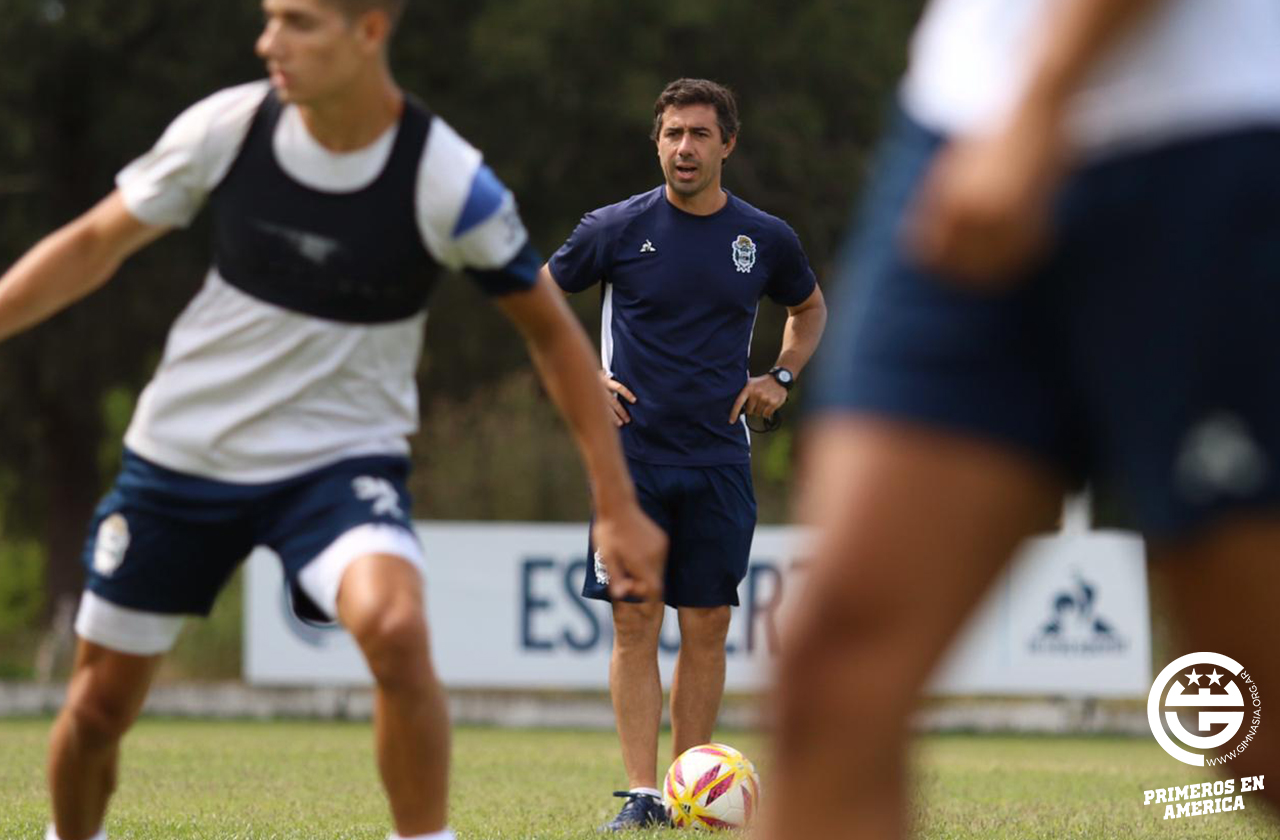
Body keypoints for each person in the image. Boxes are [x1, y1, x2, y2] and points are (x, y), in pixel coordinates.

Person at [0, 2, 666, 840]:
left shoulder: (445, 179)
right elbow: (96, 243)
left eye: (299, 22)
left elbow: (550, 334)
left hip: (337, 465)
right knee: (97, 706)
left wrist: (615, 501)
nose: (269, 41)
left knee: (395, 626)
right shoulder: (229, 128)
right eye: (271, 17)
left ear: (370, 31)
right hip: (185, 455)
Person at [761, 0, 1280, 838]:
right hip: (961, 119)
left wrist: (1043, 104)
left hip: (1209, 130)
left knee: (1262, 734)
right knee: (835, 664)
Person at [542, 78, 827, 831]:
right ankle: (641, 793)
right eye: (672, 134)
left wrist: (782, 376)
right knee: (634, 621)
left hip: (719, 463)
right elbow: (536, 298)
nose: (685, 148)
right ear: (657, 142)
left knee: (705, 627)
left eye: (700, 134)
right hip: (630, 463)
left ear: (727, 143)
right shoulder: (614, 227)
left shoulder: (764, 238)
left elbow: (809, 308)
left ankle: (688, 792)